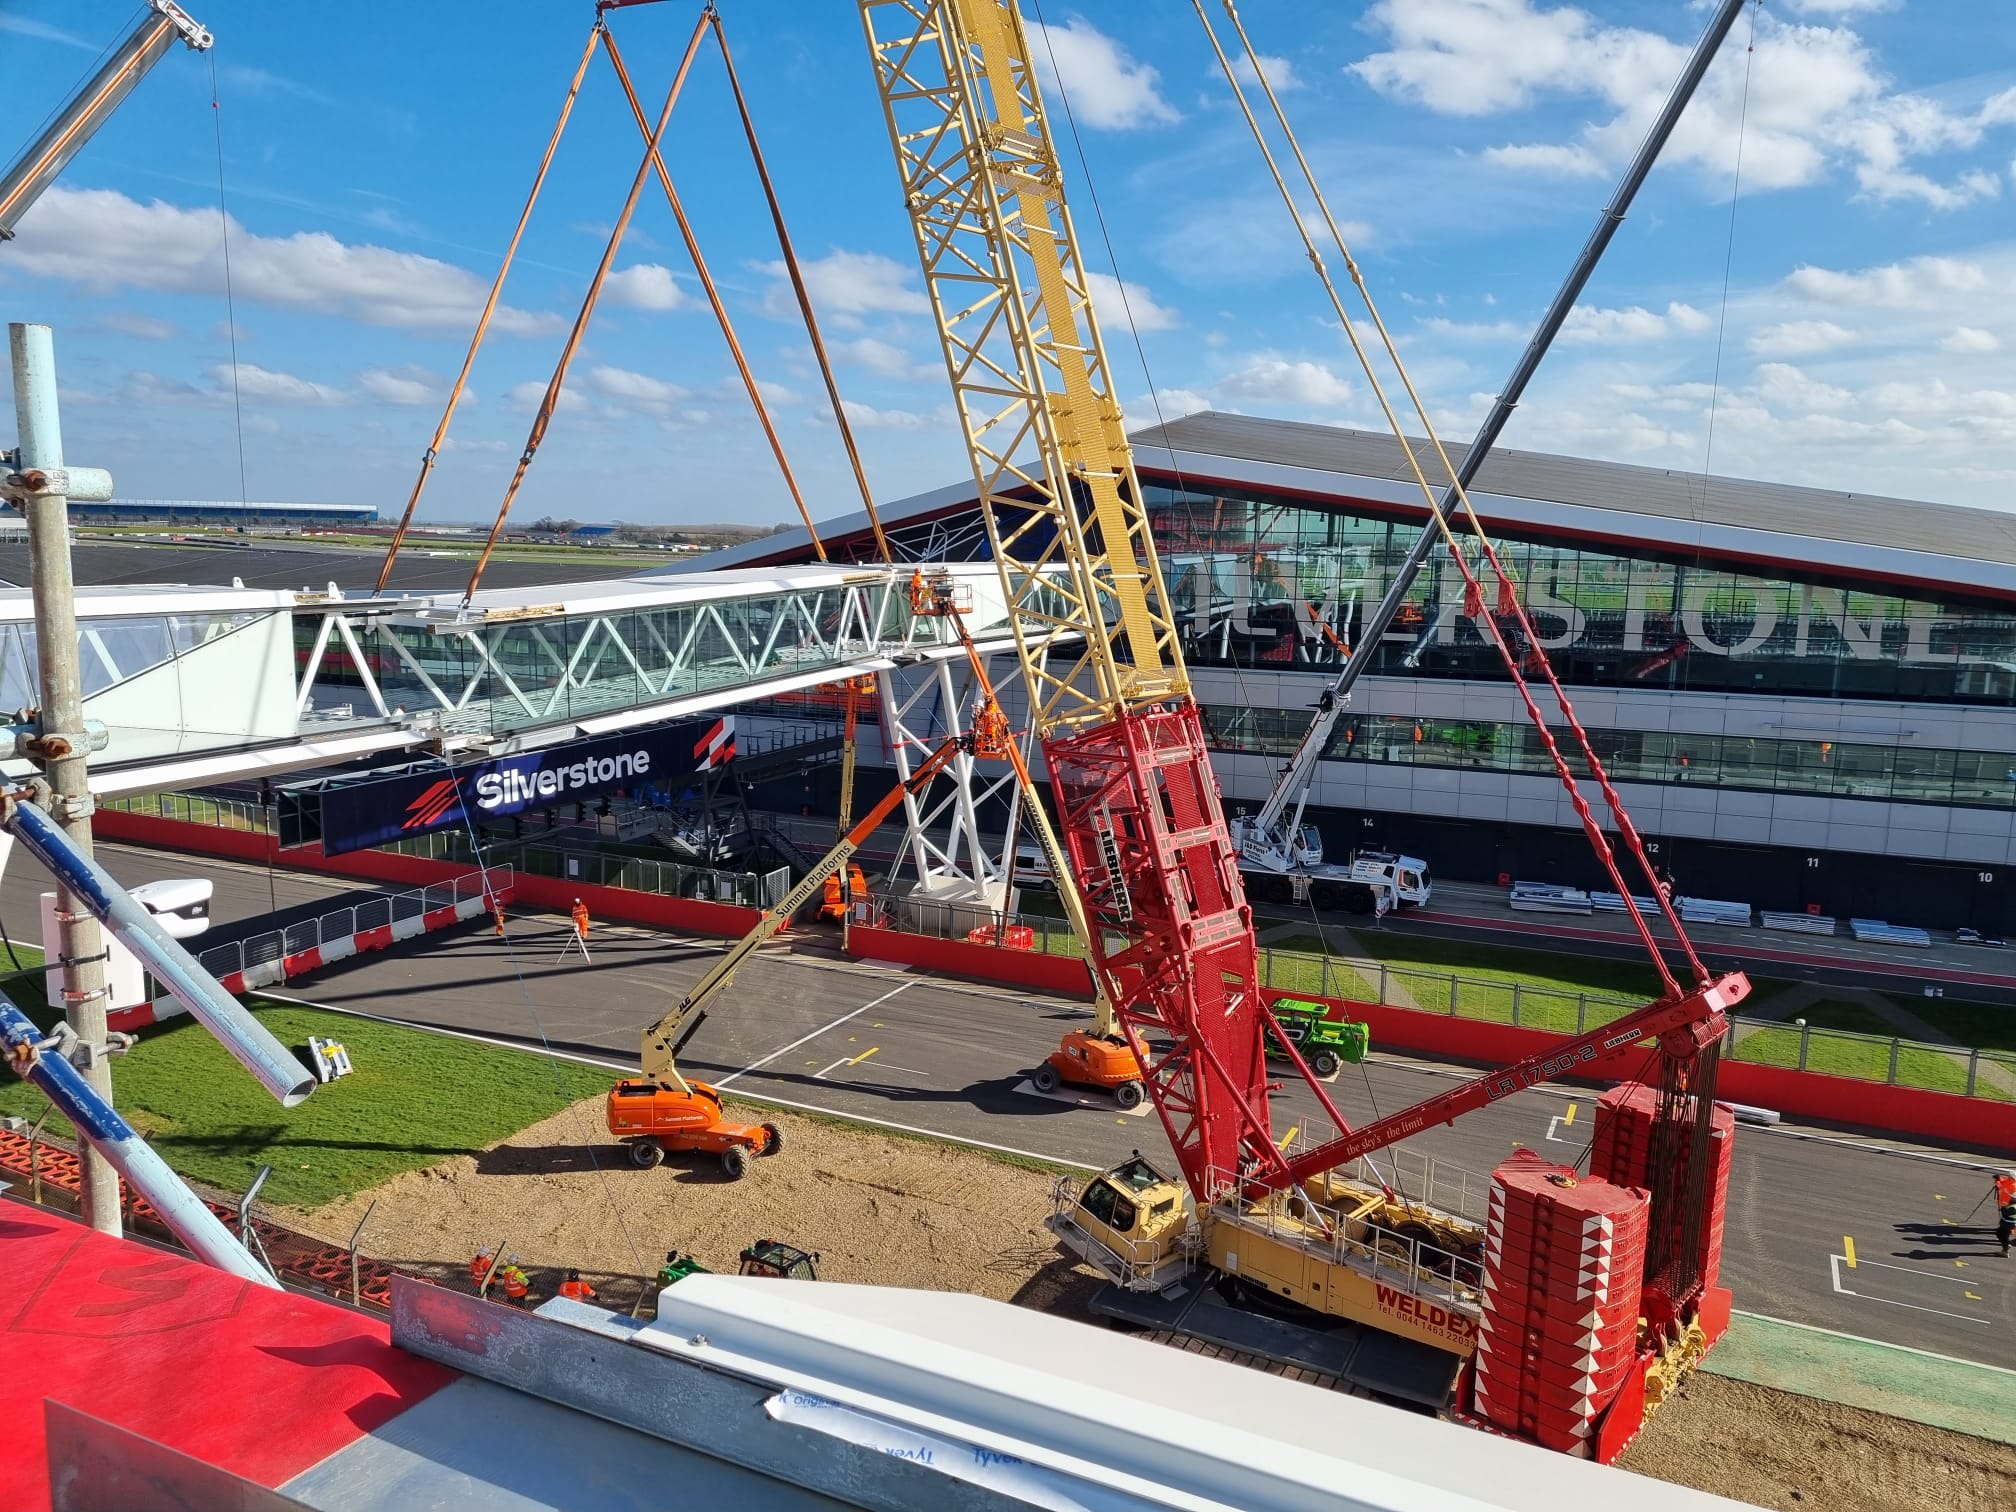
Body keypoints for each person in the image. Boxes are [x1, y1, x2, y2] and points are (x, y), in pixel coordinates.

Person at [1995, 1169, 2016, 1258]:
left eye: (2011, 1176)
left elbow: (2003, 1188)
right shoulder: (2009, 1182)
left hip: (2008, 1221)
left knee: (2001, 1233)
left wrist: (2004, 1207)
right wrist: (1998, 1180)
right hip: (2008, 1219)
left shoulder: (2012, 1207)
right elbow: (2002, 1186)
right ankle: (2006, 1247)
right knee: (2002, 1233)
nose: (2009, 1177)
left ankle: (2006, 1248)